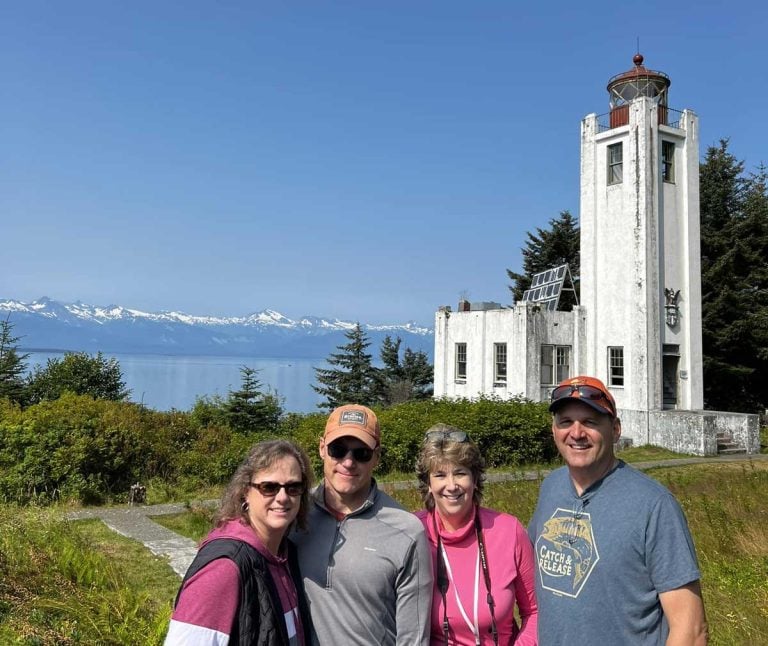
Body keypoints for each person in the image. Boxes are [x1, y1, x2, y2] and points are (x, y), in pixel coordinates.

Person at [528, 375, 708, 645]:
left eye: (590, 422)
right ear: (554, 430)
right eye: (566, 422)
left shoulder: (653, 505)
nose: (576, 433)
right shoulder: (551, 486)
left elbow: (691, 629)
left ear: (615, 429)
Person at [292, 404, 433, 645]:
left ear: (376, 457)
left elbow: (414, 637)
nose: (348, 462)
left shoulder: (407, 531)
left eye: (361, 454)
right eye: (338, 450)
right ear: (322, 448)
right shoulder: (294, 515)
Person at [166, 439, 314, 646]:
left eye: (293, 487)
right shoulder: (223, 569)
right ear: (245, 491)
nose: (283, 497)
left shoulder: (285, 555)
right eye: (269, 487)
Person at [415, 424, 538, 646]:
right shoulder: (411, 533)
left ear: (475, 479)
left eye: (460, 473)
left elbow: (535, 611)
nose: (451, 486)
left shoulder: (509, 530)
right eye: (440, 475)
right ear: (428, 484)